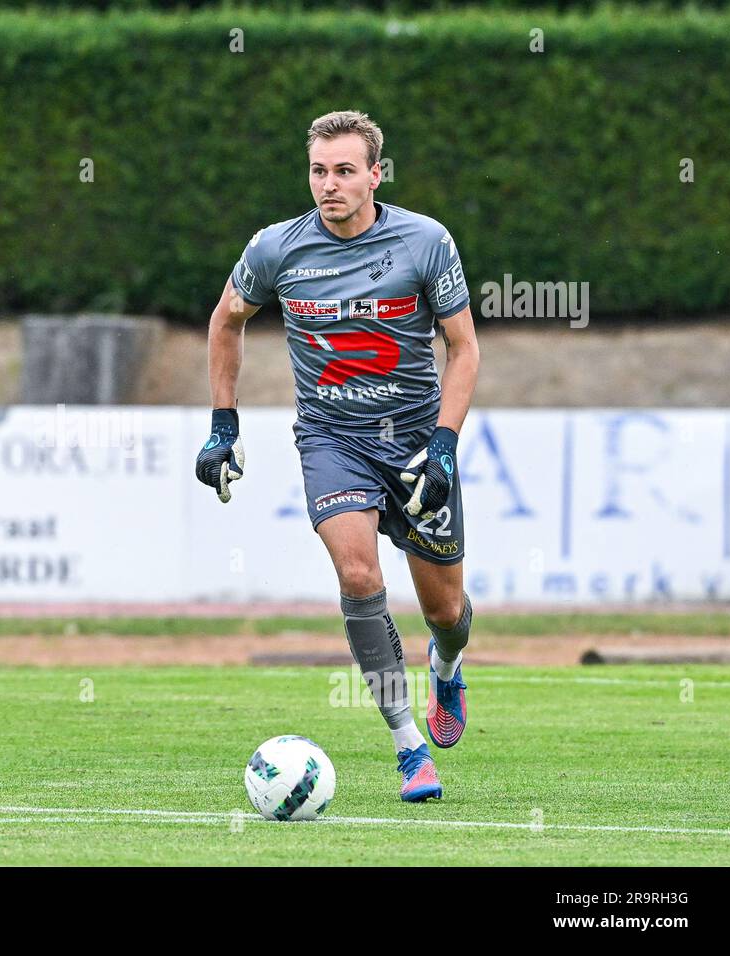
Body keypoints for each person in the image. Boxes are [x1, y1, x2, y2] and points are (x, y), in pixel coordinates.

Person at [197, 110, 480, 801]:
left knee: (444, 611)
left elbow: (463, 347)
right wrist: (223, 424)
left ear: (375, 175)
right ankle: (408, 746)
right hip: (332, 441)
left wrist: (442, 448)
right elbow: (227, 319)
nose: (330, 185)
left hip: (414, 438)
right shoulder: (275, 249)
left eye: (345, 171)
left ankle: (447, 667)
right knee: (358, 576)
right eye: (320, 171)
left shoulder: (425, 241)